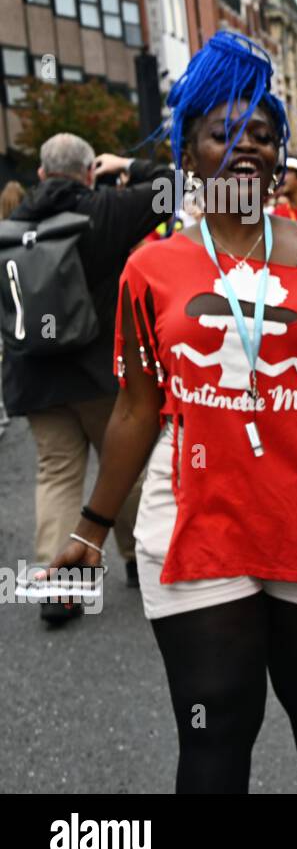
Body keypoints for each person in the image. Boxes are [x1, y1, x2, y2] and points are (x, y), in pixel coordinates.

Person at [42, 31, 297, 793]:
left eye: (263, 132)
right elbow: (136, 407)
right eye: (224, 130)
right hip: (197, 515)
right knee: (217, 719)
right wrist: (90, 529)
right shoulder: (150, 268)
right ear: (187, 151)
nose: (247, 145)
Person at [3, 133, 169, 623]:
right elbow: (177, 188)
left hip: (33, 372)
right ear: (88, 172)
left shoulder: (12, 223)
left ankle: (58, 586)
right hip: (101, 372)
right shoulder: (107, 210)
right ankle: (140, 558)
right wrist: (129, 165)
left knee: (55, 473)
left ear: (39, 175)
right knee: (126, 461)